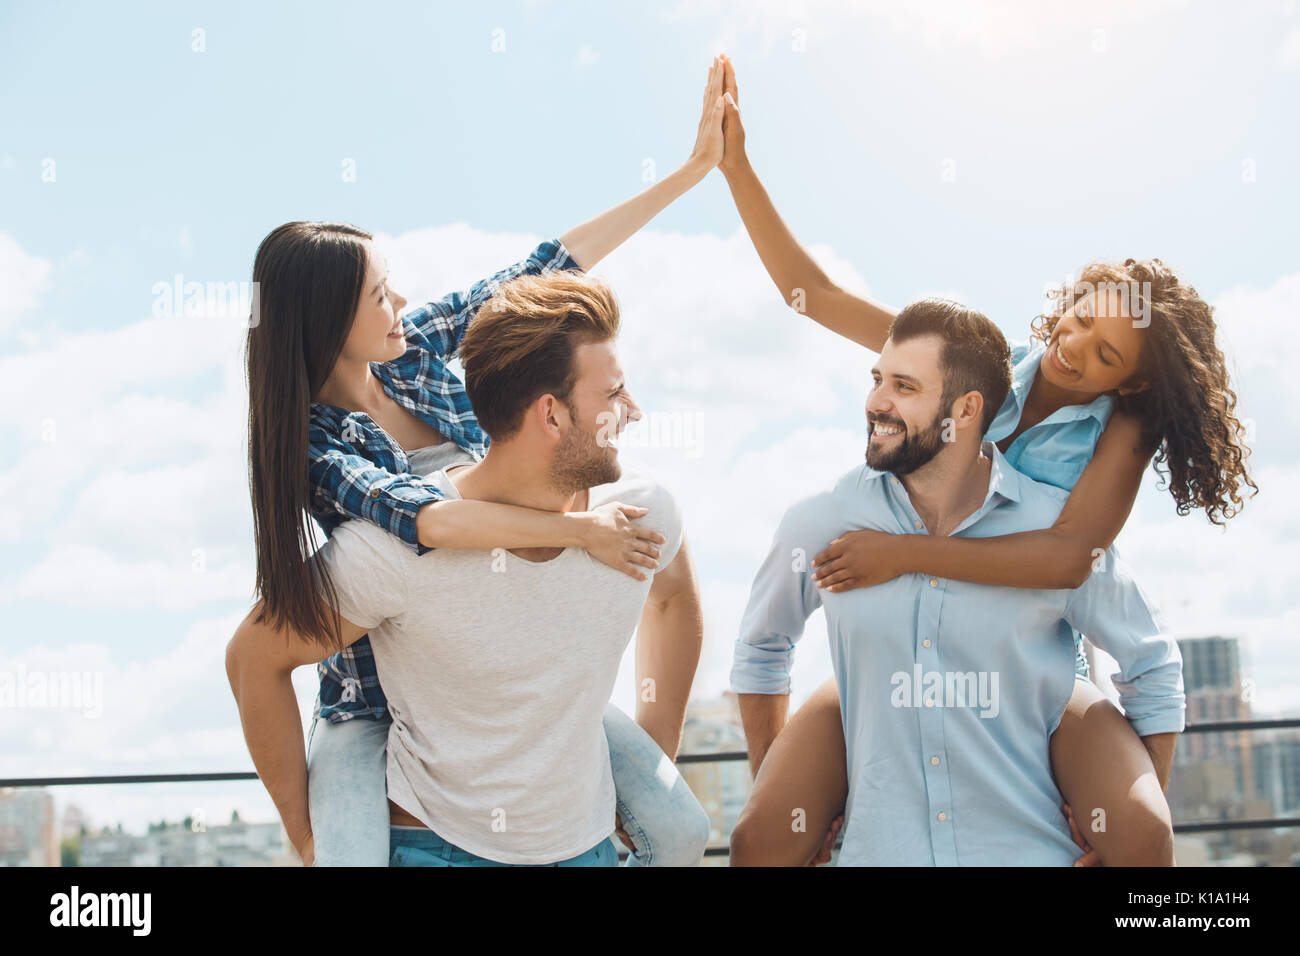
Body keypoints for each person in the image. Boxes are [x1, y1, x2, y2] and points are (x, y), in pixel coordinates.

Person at [715, 53, 1253, 866]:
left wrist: (901, 555)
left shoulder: (1122, 432)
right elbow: (812, 294)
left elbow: (1070, 559)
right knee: (764, 835)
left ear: (1133, 379)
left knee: (1141, 838)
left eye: (1103, 351)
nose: (1073, 348)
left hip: (1026, 656)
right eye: (1077, 319)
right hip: (891, 642)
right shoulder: (977, 360)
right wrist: (737, 167)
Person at [236, 56, 732, 866]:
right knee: (343, 858)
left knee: (678, 830)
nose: (400, 304)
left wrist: (690, 172)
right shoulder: (319, 448)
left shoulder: (413, 348)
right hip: (382, 703)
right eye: (379, 297)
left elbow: (547, 266)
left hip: (502, 676)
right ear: (329, 323)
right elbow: (427, 519)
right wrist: (583, 535)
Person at [230, 270, 704, 866]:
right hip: (417, 802)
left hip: (584, 845)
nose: (633, 411)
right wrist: (304, 834)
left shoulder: (643, 513)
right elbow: (254, 657)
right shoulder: (388, 544)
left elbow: (673, 599)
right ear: (551, 416)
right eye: (613, 394)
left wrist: (647, 764)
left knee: (684, 831)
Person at [731, 300, 1186, 866]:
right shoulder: (824, 520)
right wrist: (789, 788)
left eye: (904, 386)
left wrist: (1123, 827)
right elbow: (762, 645)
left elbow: (1150, 660)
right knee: (758, 843)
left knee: (1144, 835)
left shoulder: (1055, 521)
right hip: (880, 841)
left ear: (967, 409)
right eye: (877, 379)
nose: (877, 402)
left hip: (1037, 770)